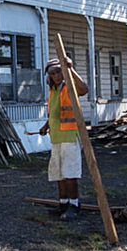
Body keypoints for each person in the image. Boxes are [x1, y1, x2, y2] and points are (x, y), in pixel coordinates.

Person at [39, 57, 89, 221]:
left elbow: (84, 90)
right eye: (53, 73)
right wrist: (47, 125)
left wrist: (70, 70)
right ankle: (63, 203)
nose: (57, 76)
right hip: (56, 136)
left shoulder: (70, 85)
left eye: (59, 72)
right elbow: (55, 110)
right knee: (59, 173)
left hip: (69, 135)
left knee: (70, 172)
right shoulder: (53, 89)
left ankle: (75, 205)